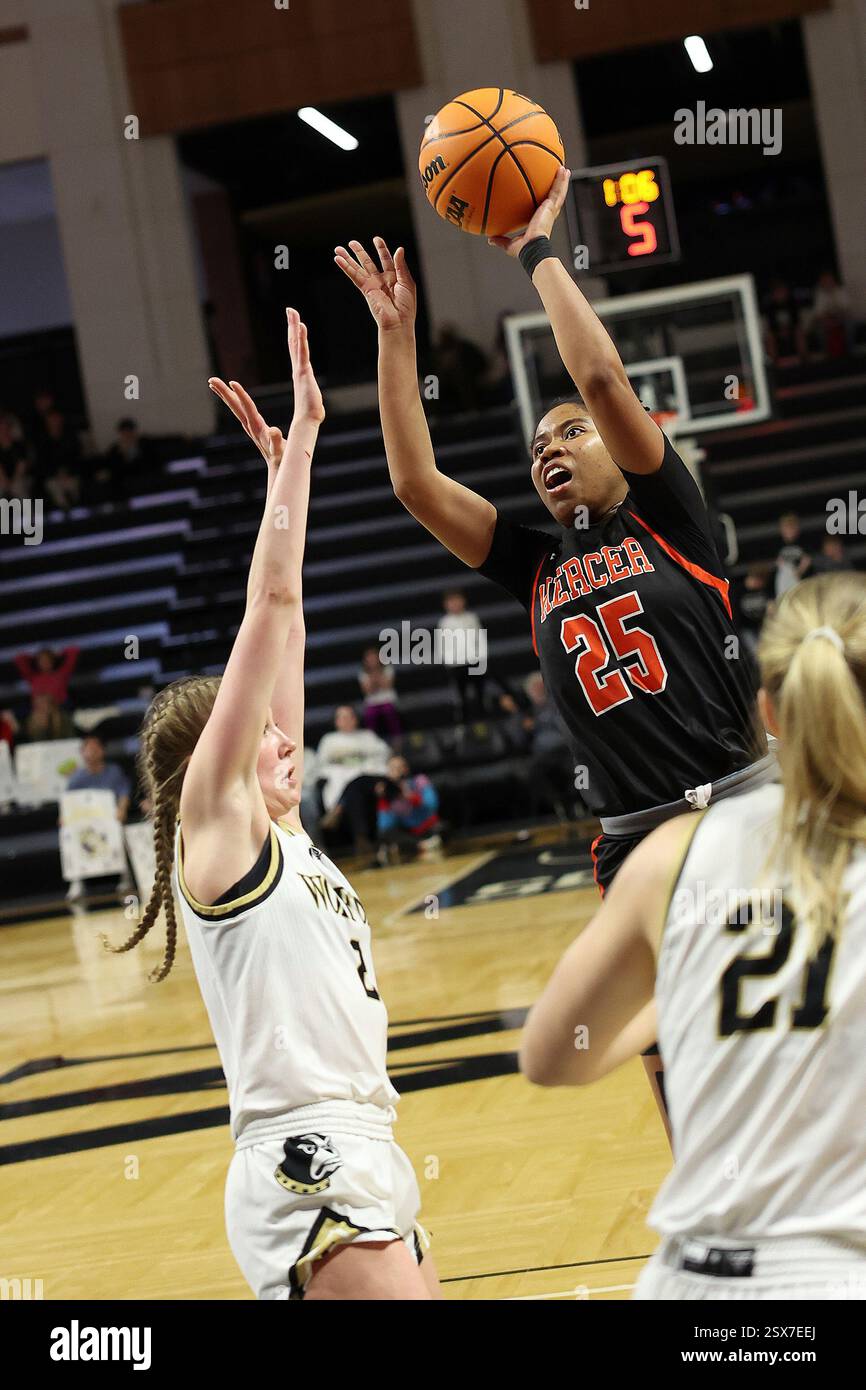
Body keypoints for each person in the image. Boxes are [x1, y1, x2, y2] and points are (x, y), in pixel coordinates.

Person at [335, 172, 770, 1126]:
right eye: (537, 444)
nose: (550, 447)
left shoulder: (671, 519)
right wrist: (397, 336)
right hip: (630, 839)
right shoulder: (533, 566)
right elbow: (414, 482)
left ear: (626, 445)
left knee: (787, 1049)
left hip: (740, 810)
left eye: (570, 432)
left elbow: (604, 380)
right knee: (681, 1084)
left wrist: (535, 249)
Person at [100, 310, 438, 1301]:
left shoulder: (279, 824)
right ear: (214, 761)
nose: (287, 735)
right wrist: (288, 469)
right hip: (310, 1161)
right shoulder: (220, 833)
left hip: (368, 1138)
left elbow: (289, 621)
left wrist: (302, 450)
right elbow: (269, 610)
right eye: (264, 731)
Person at [521, 572, 866, 1301]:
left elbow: (551, 1056)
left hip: (692, 1284)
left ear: (768, 710)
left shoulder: (674, 852)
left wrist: (684, 986)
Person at [64, 734, 132, 901]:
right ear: (82, 753)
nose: (93, 752)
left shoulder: (114, 771)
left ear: (102, 751)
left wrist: (121, 809)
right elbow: (68, 803)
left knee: (119, 830)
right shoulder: (76, 779)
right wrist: (65, 818)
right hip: (85, 824)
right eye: (89, 749)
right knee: (69, 834)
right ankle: (76, 882)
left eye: (96, 748)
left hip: (109, 820)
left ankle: (125, 879)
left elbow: (124, 793)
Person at [317, 706, 392, 854]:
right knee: (354, 790)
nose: (346, 720)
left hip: (369, 778)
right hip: (344, 781)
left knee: (357, 781)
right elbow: (321, 765)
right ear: (336, 721)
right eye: (341, 717)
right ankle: (362, 838)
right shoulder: (329, 740)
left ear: (355, 719)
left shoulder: (367, 736)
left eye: (349, 716)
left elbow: (384, 756)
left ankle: (339, 810)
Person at [374, 755, 441, 865]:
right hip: (408, 832)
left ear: (406, 769)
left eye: (400, 768)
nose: (397, 772)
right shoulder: (388, 793)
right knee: (385, 834)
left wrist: (411, 797)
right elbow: (384, 826)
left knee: (442, 829)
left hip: (426, 825)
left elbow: (432, 805)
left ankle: (406, 847)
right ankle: (421, 845)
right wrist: (383, 800)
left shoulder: (419, 781)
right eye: (392, 769)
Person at [436, 589, 485, 723]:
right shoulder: (444, 622)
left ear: (463, 601)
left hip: (474, 661)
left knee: (479, 694)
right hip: (456, 665)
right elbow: (442, 644)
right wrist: (449, 663)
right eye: (451, 601)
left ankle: (483, 723)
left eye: (457, 600)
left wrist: (481, 657)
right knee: (460, 698)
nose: (455, 604)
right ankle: (463, 725)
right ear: (446, 604)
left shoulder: (471, 618)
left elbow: (480, 638)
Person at [14, 645, 80, 709]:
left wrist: (58, 652)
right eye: (41, 660)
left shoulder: (61, 674)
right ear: (38, 662)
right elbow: (19, 658)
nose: (45, 663)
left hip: (60, 708)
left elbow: (74, 651)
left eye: (48, 660)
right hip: (40, 711)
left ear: (53, 660)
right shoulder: (33, 677)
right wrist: (33, 656)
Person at [358, 646, 402, 739]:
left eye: (374, 657)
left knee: (389, 712)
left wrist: (376, 676)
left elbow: (387, 686)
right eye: (369, 658)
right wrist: (375, 679)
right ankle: (371, 739)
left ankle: (397, 737)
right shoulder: (363, 673)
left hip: (387, 699)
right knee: (370, 715)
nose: (372, 660)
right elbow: (367, 691)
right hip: (372, 702)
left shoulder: (388, 668)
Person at [763, 279, 807, 366]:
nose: (780, 294)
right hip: (776, 333)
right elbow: (771, 325)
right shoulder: (770, 308)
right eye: (777, 292)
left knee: (799, 332)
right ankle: (775, 362)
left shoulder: (792, 305)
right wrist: (780, 331)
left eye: (782, 291)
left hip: (792, 331)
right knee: (769, 337)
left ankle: (804, 358)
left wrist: (789, 330)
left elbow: (797, 322)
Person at [775, 512, 811, 598]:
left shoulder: (802, 544)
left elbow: (807, 560)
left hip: (799, 577)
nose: (789, 531)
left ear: (797, 529)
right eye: (786, 528)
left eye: (792, 528)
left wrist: (800, 571)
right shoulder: (778, 545)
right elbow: (778, 563)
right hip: (785, 579)